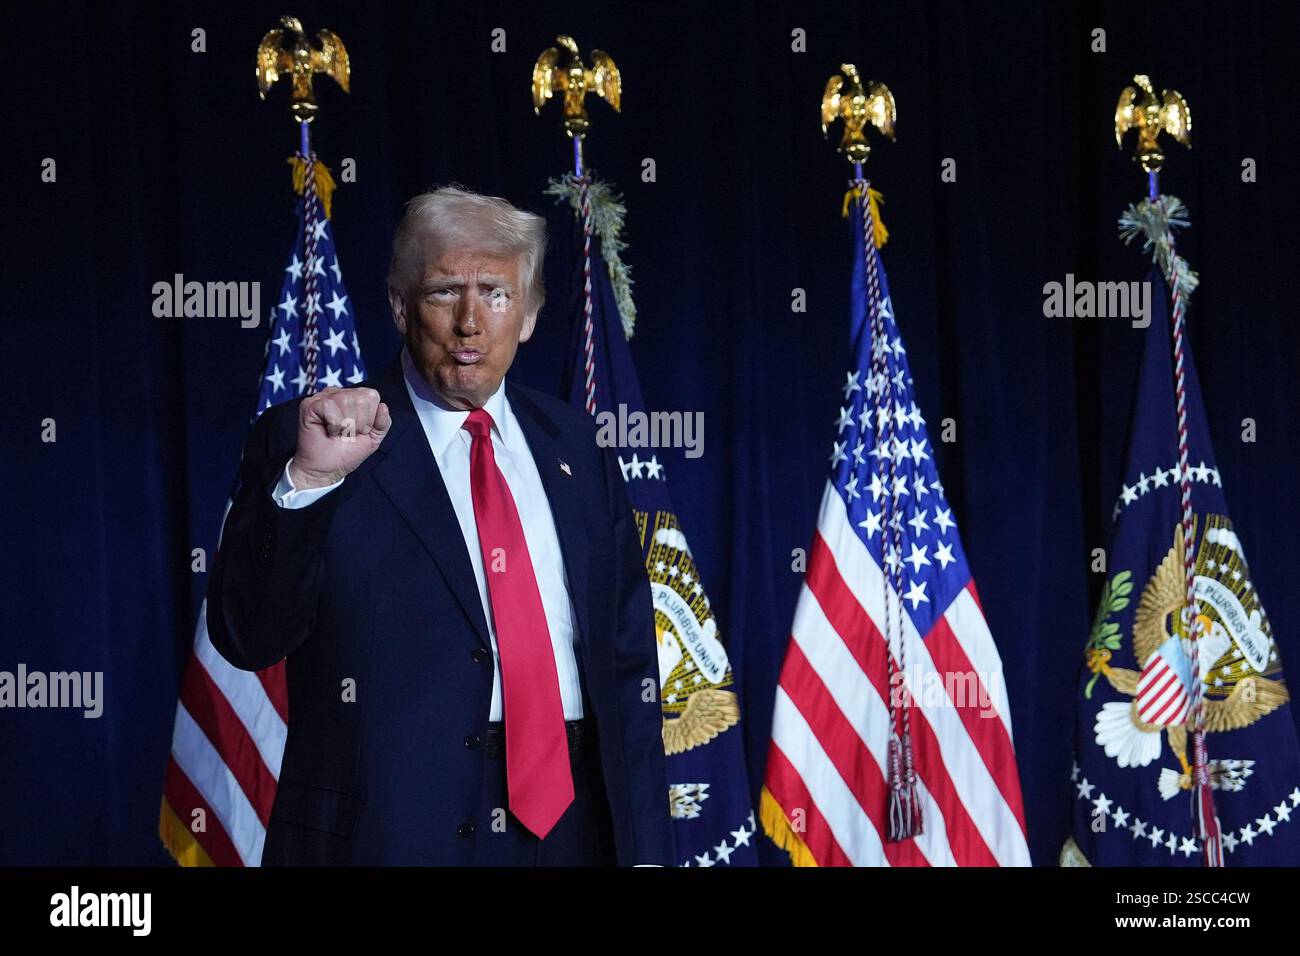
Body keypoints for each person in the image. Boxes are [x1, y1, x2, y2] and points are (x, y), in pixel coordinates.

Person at [207, 186, 673, 866]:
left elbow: (630, 663)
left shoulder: (576, 445)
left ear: (533, 314)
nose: (469, 323)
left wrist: (649, 850)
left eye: (497, 294)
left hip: (575, 829)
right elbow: (248, 637)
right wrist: (308, 482)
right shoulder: (316, 439)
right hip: (393, 834)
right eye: (444, 292)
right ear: (399, 306)